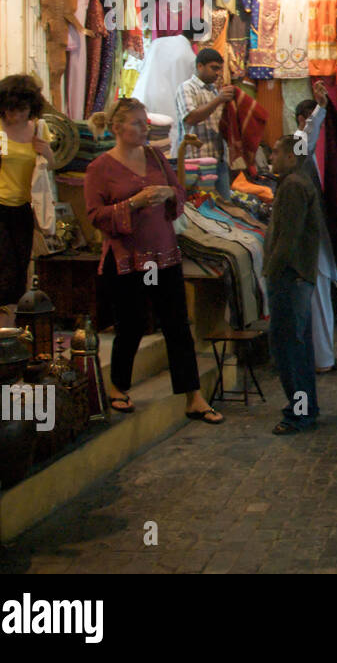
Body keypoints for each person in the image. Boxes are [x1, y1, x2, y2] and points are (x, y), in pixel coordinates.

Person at [84, 98, 222, 424]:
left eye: (145, 122)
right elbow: (95, 215)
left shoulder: (155, 157)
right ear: (117, 127)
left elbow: (179, 193)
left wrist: (169, 195)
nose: (144, 128)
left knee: (176, 325)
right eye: (136, 123)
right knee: (131, 324)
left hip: (163, 255)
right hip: (130, 260)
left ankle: (193, 396)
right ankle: (118, 386)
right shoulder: (99, 168)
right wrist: (133, 203)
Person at [0, 75, 55, 327]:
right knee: (2, 269)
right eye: (9, 109)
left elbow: (49, 166)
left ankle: (10, 328)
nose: (14, 116)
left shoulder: (40, 128)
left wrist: (46, 151)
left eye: (20, 110)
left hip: (22, 207)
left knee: (20, 270)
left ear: (30, 107)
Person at [265, 134, 334, 434]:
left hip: (290, 276)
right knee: (298, 347)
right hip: (296, 276)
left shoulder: (293, 185)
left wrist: (271, 270)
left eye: (276, 153)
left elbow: (288, 238)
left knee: (290, 348)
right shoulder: (298, 182)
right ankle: (305, 408)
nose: (272, 158)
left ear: (291, 156)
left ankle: (300, 412)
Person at [293, 81, 337, 375]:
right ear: (303, 120)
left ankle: (321, 358)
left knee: (318, 302)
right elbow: (307, 138)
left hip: (312, 240)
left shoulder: (303, 155)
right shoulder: (299, 148)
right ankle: (321, 360)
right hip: (309, 242)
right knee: (317, 304)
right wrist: (322, 109)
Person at [174, 47, 237, 200]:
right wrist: (219, 100)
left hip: (218, 161)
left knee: (224, 207)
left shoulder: (214, 91)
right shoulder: (186, 88)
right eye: (214, 68)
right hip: (195, 163)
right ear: (200, 66)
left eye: (219, 69)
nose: (217, 73)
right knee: (199, 208)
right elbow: (191, 118)